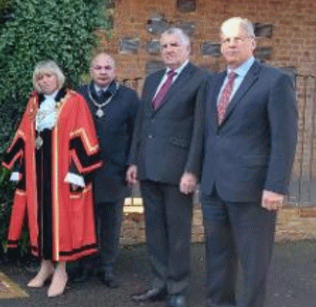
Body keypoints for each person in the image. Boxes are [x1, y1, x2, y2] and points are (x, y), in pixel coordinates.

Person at [186, 17, 297, 307]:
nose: (231, 44)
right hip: (214, 187)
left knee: (253, 262)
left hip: (253, 189)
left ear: (252, 43)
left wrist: (276, 185)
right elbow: (206, 132)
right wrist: (194, 172)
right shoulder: (213, 83)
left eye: (238, 38)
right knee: (217, 257)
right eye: (225, 39)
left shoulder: (276, 81)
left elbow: (284, 138)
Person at [3, 60, 102, 297]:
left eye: (48, 76)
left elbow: (85, 134)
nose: (44, 81)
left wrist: (76, 169)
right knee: (39, 220)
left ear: (58, 77)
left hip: (62, 175)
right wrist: (19, 164)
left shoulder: (74, 101)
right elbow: (24, 135)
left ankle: (61, 270)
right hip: (38, 175)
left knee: (62, 221)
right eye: (40, 78)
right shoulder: (32, 104)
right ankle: (45, 266)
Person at [126, 28, 208, 307]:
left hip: (178, 172)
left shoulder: (200, 79)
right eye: (164, 46)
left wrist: (192, 170)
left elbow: (200, 129)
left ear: (188, 49)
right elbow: (142, 123)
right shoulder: (152, 80)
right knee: (155, 231)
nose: (168, 50)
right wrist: (134, 161)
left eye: (174, 45)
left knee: (177, 233)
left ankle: (177, 289)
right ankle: (158, 283)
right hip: (148, 167)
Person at [73, 53, 139, 288]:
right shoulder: (78, 95)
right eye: (98, 67)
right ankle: (85, 265)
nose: (103, 71)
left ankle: (107, 266)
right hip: (84, 171)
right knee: (85, 220)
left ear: (115, 70)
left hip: (115, 170)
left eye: (107, 67)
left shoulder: (129, 97)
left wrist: (133, 163)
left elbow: (136, 134)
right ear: (91, 70)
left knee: (111, 221)